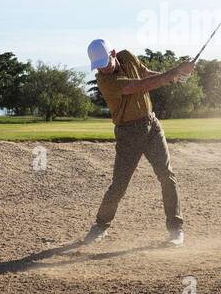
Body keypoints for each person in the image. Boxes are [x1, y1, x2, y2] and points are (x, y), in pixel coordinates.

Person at [82, 39, 194, 247]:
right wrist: (174, 71)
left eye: (105, 62)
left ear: (114, 53)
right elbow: (141, 85)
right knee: (119, 185)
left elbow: (145, 74)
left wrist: (174, 77)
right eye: (98, 65)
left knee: (167, 176)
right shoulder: (105, 82)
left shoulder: (127, 56)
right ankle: (100, 226)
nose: (103, 68)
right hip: (128, 133)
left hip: (152, 125)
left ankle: (175, 229)